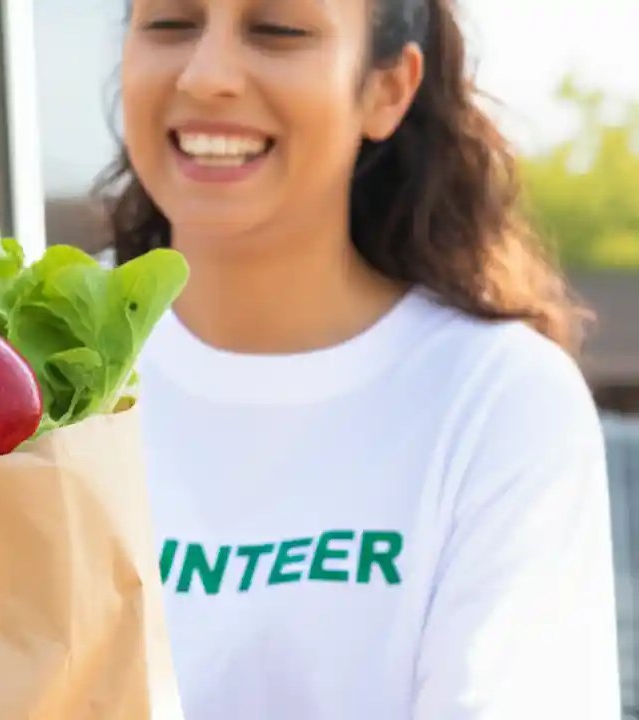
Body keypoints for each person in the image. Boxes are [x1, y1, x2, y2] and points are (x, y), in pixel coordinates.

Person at [98, 0, 623, 717]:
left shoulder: (495, 400)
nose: (207, 74)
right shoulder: (40, 362)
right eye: (170, 24)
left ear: (387, 90)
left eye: (278, 30)